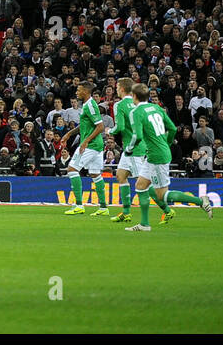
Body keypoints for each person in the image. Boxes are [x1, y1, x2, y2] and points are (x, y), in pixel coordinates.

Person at [125, 85, 211, 231]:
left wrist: (129, 149)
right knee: (140, 186)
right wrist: (167, 143)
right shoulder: (157, 108)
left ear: (134, 96)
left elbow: (137, 136)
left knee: (162, 195)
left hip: (157, 156)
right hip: (155, 153)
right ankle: (144, 224)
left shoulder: (136, 112)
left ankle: (200, 201)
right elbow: (172, 128)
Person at [62, 82, 108, 216]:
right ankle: (104, 207)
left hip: (91, 145)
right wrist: (69, 133)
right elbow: (85, 125)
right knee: (95, 174)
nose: (76, 92)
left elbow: (100, 127)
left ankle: (78, 205)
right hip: (96, 145)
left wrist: (86, 141)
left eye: (79, 90)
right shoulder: (86, 105)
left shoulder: (91, 105)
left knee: (72, 169)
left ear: (86, 91)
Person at [108, 78, 139, 222]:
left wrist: (109, 131)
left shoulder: (119, 105)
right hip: (136, 145)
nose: (115, 89)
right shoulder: (138, 103)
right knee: (120, 175)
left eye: (117, 87)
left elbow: (119, 127)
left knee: (143, 183)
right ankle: (126, 212)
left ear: (122, 89)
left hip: (134, 147)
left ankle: (167, 208)